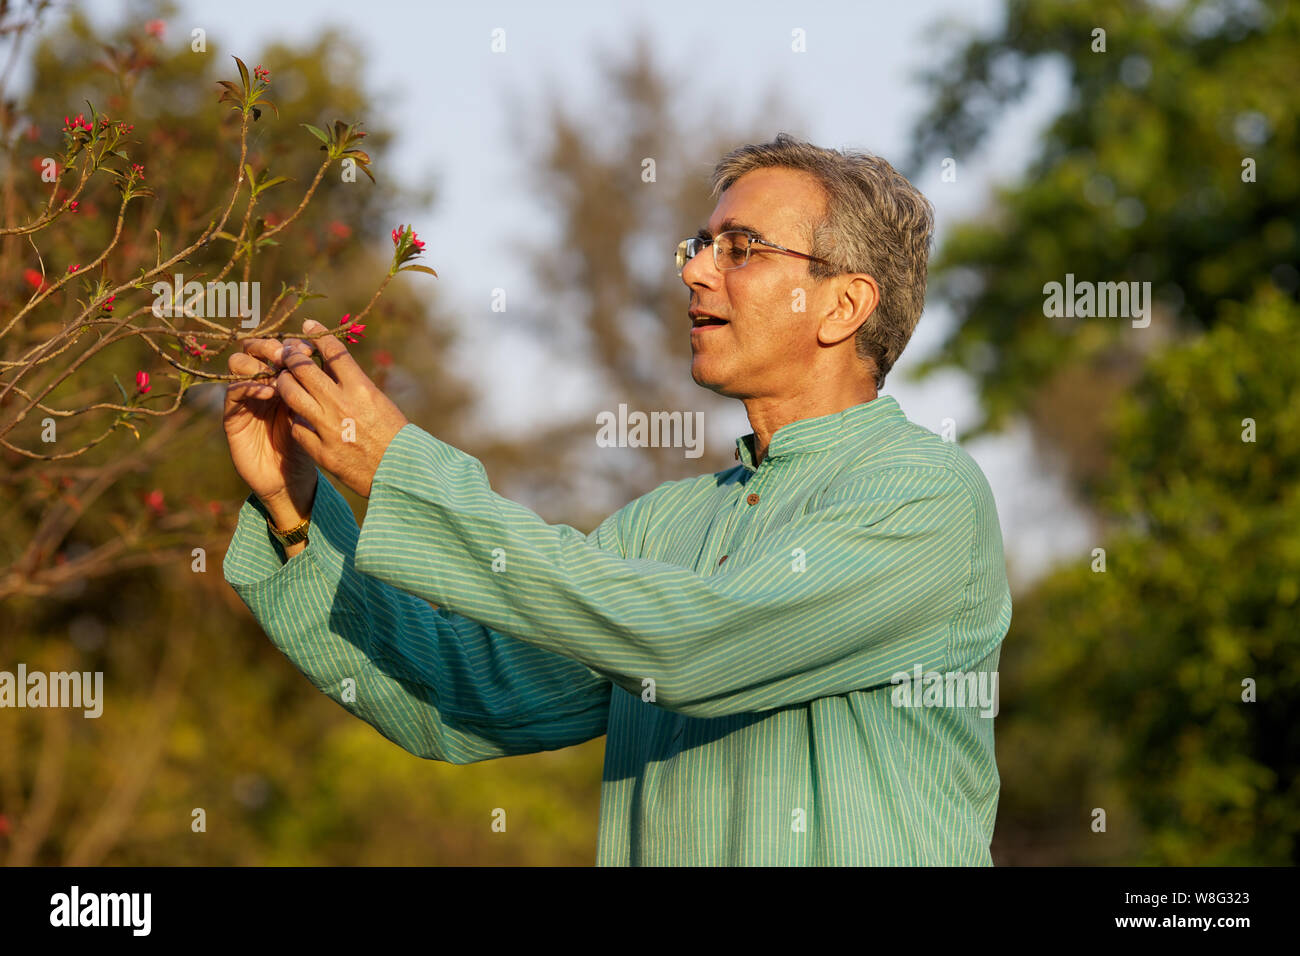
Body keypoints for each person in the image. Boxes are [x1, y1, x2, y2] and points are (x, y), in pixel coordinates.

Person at [221, 133, 1013, 865]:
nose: (695, 270)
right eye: (701, 246)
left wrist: (397, 466)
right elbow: (459, 695)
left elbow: (698, 646)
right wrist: (295, 510)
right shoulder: (660, 524)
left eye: (741, 248)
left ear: (843, 305)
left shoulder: (926, 496)